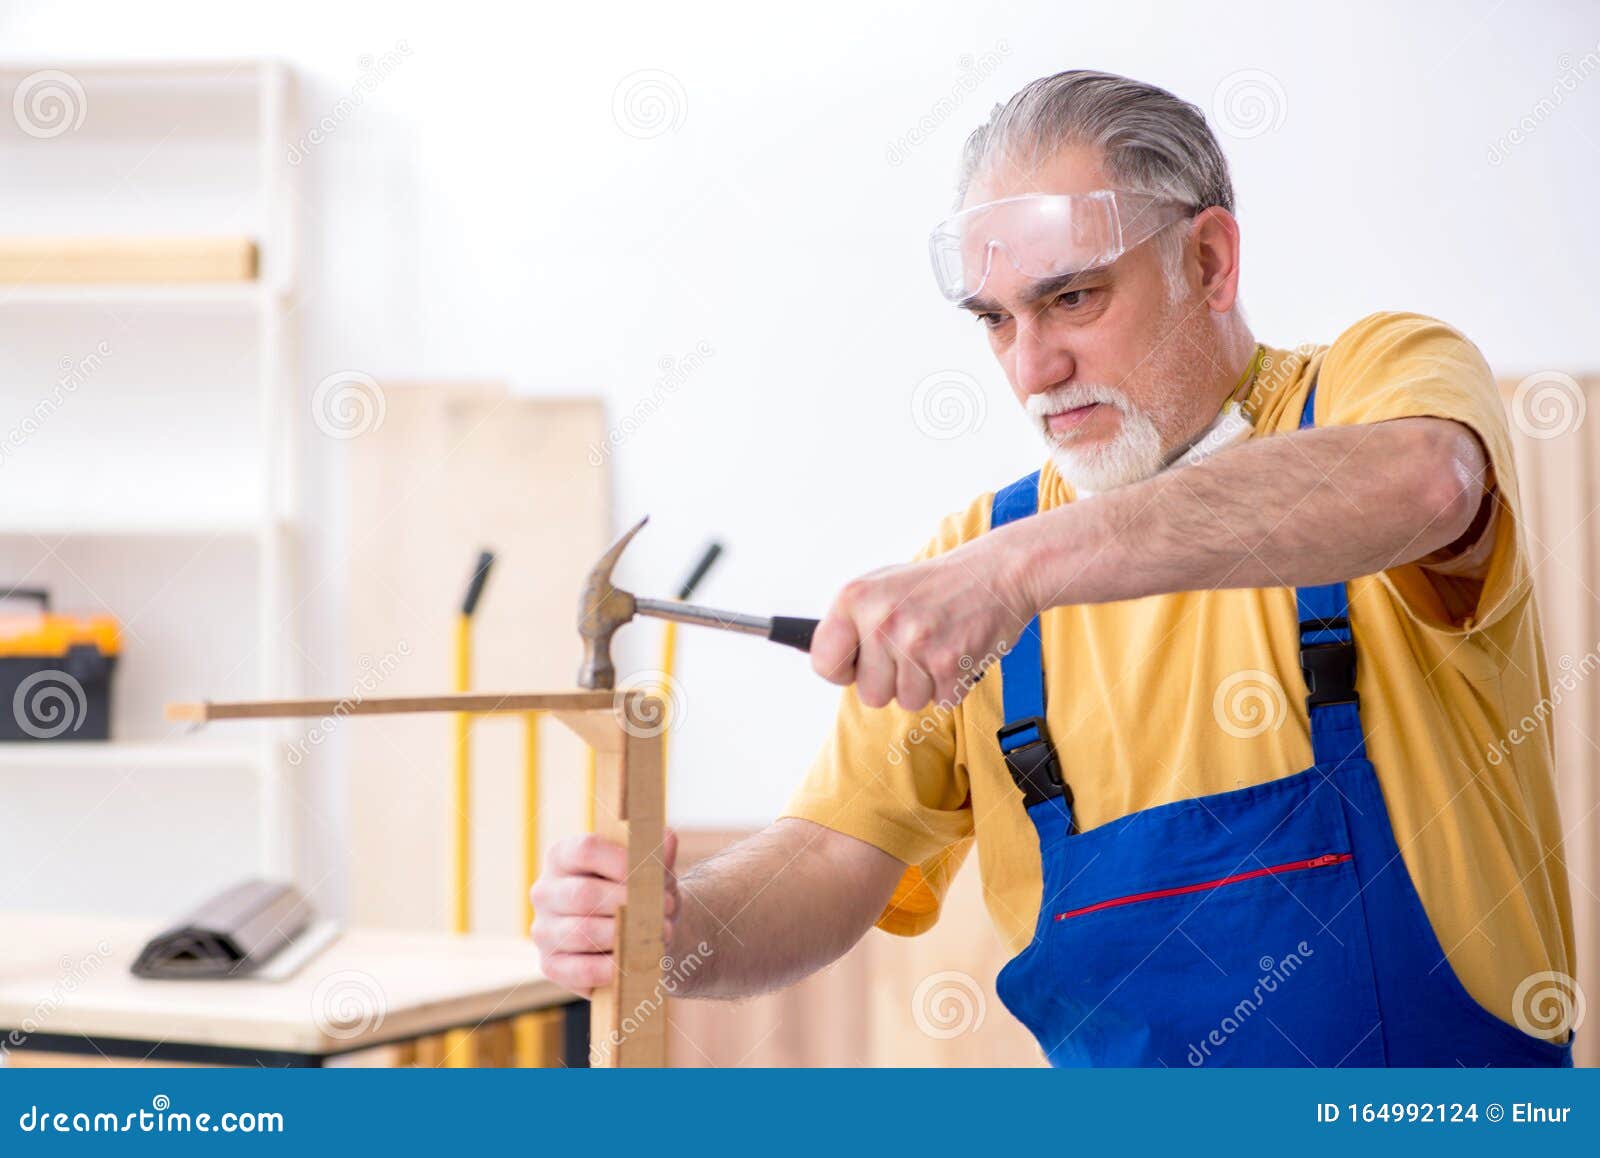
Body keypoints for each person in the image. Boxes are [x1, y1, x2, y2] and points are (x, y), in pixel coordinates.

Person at [533, 70, 1574, 1067]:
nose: (1031, 368)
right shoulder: (976, 564)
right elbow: (828, 857)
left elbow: (1427, 483)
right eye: (995, 321)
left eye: (1072, 298)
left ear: (1208, 261)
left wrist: (1019, 571)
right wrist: (674, 929)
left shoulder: (1368, 386)